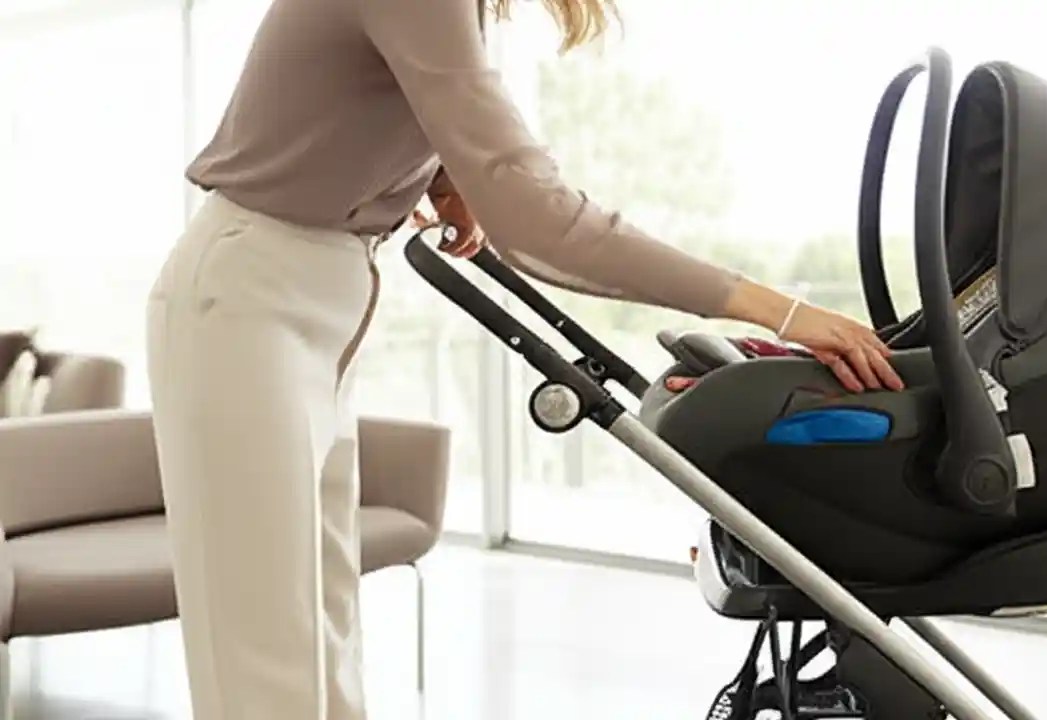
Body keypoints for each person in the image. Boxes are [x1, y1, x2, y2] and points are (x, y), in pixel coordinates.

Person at [144, 0, 904, 718]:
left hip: (317, 300)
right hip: (243, 300)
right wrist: (785, 313)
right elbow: (541, 220)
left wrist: (444, 175)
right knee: (265, 641)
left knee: (323, 626)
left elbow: (372, 97)